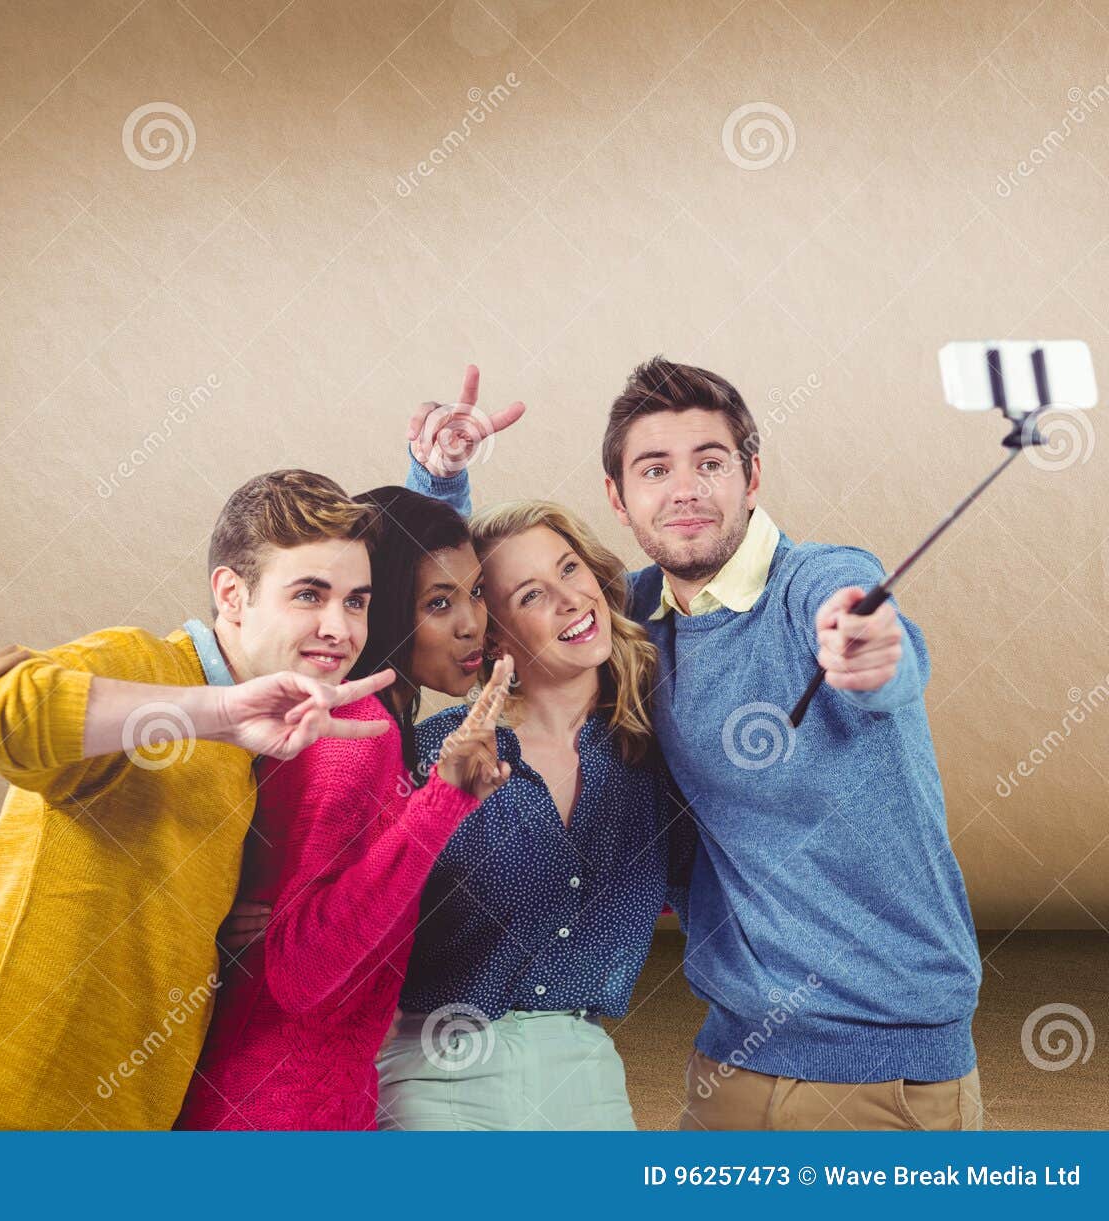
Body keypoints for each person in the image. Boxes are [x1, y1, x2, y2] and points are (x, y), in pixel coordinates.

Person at [408, 360, 983, 1131]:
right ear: (618, 497)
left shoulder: (816, 582)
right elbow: (487, 593)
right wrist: (441, 483)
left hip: (883, 1073)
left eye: (709, 462)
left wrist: (873, 651)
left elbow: (875, 634)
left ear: (751, 476)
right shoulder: (631, 619)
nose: (685, 488)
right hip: (731, 1064)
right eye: (655, 468)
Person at [0, 469, 398, 1131]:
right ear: (232, 595)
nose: (340, 627)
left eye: (355, 601)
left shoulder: (254, 755)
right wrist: (212, 709)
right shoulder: (145, 664)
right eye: (309, 593)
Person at [177, 487, 513, 1130]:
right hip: (272, 1108)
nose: (472, 622)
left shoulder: (351, 719)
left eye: (474, 592)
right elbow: (304, 971)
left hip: (309, 1098)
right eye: (438, 603)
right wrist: (445, 800)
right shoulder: (355, 736)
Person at [373, 497, 695, 1130]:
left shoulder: (659, 753)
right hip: (438, 1069)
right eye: (529, 595)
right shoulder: (430, 752)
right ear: (493, 632)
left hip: (585, 1068)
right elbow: (363, 887)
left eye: (569, 569)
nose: (569, 599)